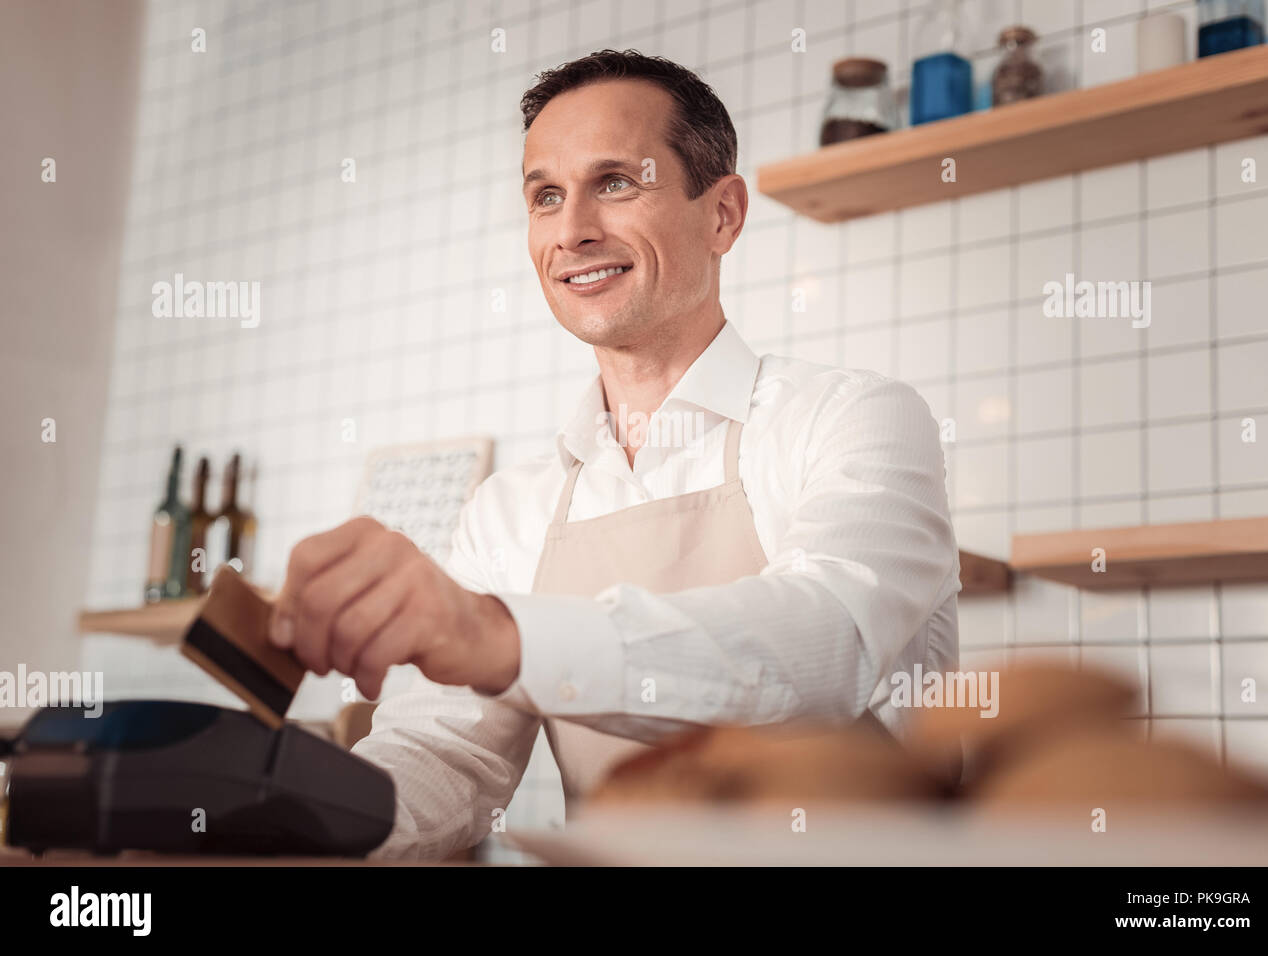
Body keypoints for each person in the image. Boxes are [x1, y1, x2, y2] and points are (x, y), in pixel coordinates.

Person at [268, 49, 961, 860]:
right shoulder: (509, 511)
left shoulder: (853, 419)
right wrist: (307, 833)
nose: (572, 232)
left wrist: (503, 638)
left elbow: (830, 642)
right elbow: (444, 754)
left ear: (724, 215)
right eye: (547, 196)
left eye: (617, 183)